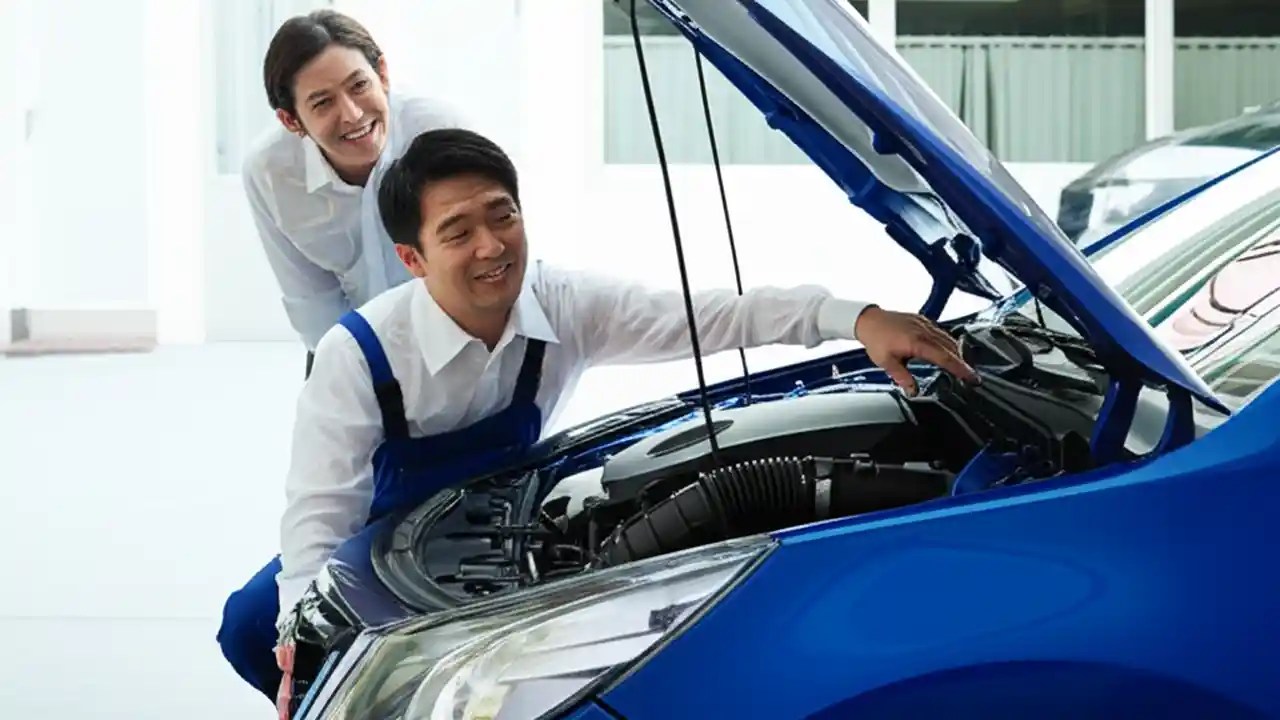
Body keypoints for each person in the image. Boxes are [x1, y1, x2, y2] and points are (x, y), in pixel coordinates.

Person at [216, 127, 979, 714]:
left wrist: (860, 317)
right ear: (412, 258)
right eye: (458, 232)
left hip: (496, 522)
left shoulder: (565, 306)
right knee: (249, 625)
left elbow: (715, 313)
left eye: (502, 216)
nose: (491, 247)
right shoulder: (360, 353)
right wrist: (302, 639)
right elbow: (318, 516)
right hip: (377, 537)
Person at [242, 9, 470, 376]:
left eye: (359, 85)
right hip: (346, 344)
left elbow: (486, 259)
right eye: (323, 102)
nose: (352, 114)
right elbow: (313, 304)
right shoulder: (270, 172)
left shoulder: (442, 132)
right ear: (291, 121)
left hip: (458, 331)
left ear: (382, 74)